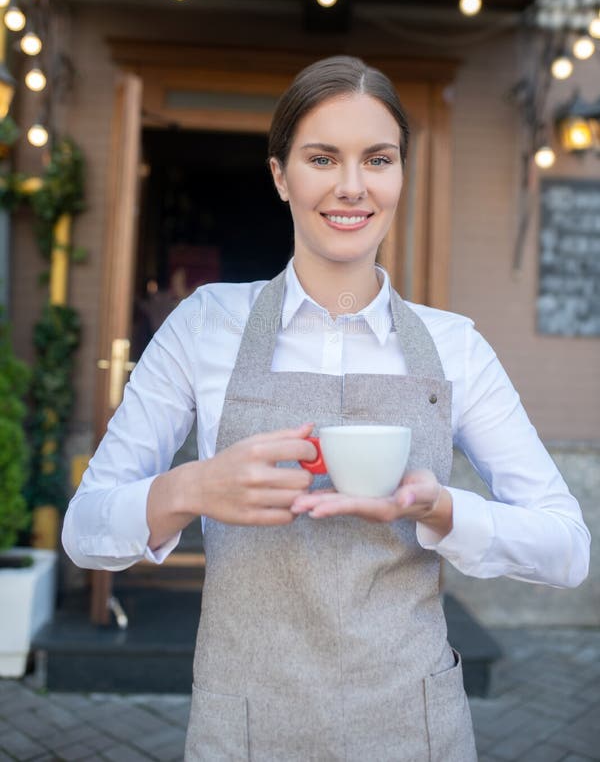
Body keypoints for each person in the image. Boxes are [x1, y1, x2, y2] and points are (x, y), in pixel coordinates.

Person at [63, 56, 590, 761]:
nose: (352, 186)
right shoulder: (205, 325)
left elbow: (567, 550)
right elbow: (84, 530)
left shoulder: (454, 348)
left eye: (378, 159)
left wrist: (439, 509)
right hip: (245, 727)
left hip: (414, 727)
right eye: (322, 157)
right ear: (280, 174)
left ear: (402, 176)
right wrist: (193, 486)